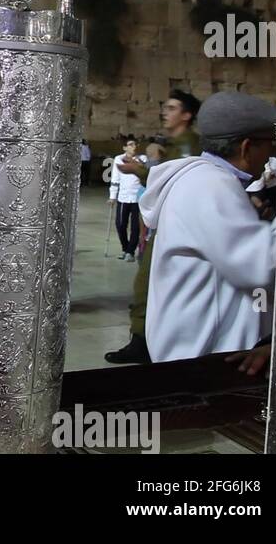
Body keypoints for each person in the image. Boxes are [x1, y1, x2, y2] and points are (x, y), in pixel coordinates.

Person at [139, 91, 276, 363]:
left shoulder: (202, 178)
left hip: (198, 348)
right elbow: (261, 267)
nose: (271, 153)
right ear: (247, 147)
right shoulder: (211, 185)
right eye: (270, 144)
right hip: (207, 354)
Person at [105, 89, 201, 364]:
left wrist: (140, 171)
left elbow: (176, 185)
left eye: (172, 108)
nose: (165, 112)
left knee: (147, 284)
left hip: (176, 227)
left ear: (186, 114)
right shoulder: (177, 144)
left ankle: (143, 343)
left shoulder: (187, 145)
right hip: (169, 224)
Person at [108, 138, 145, 262]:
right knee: (120, 224)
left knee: (135, 227)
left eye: (135, 144)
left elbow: (144, 173)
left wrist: (136, 161)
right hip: (123, 197)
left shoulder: (142, 159)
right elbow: (115, 178)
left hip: (138, 197)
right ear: (124, 148)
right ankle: (125, 248)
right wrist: (112, 196)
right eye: (130, 144)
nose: (134, 146)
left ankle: (130, 252)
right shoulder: (119, 159)